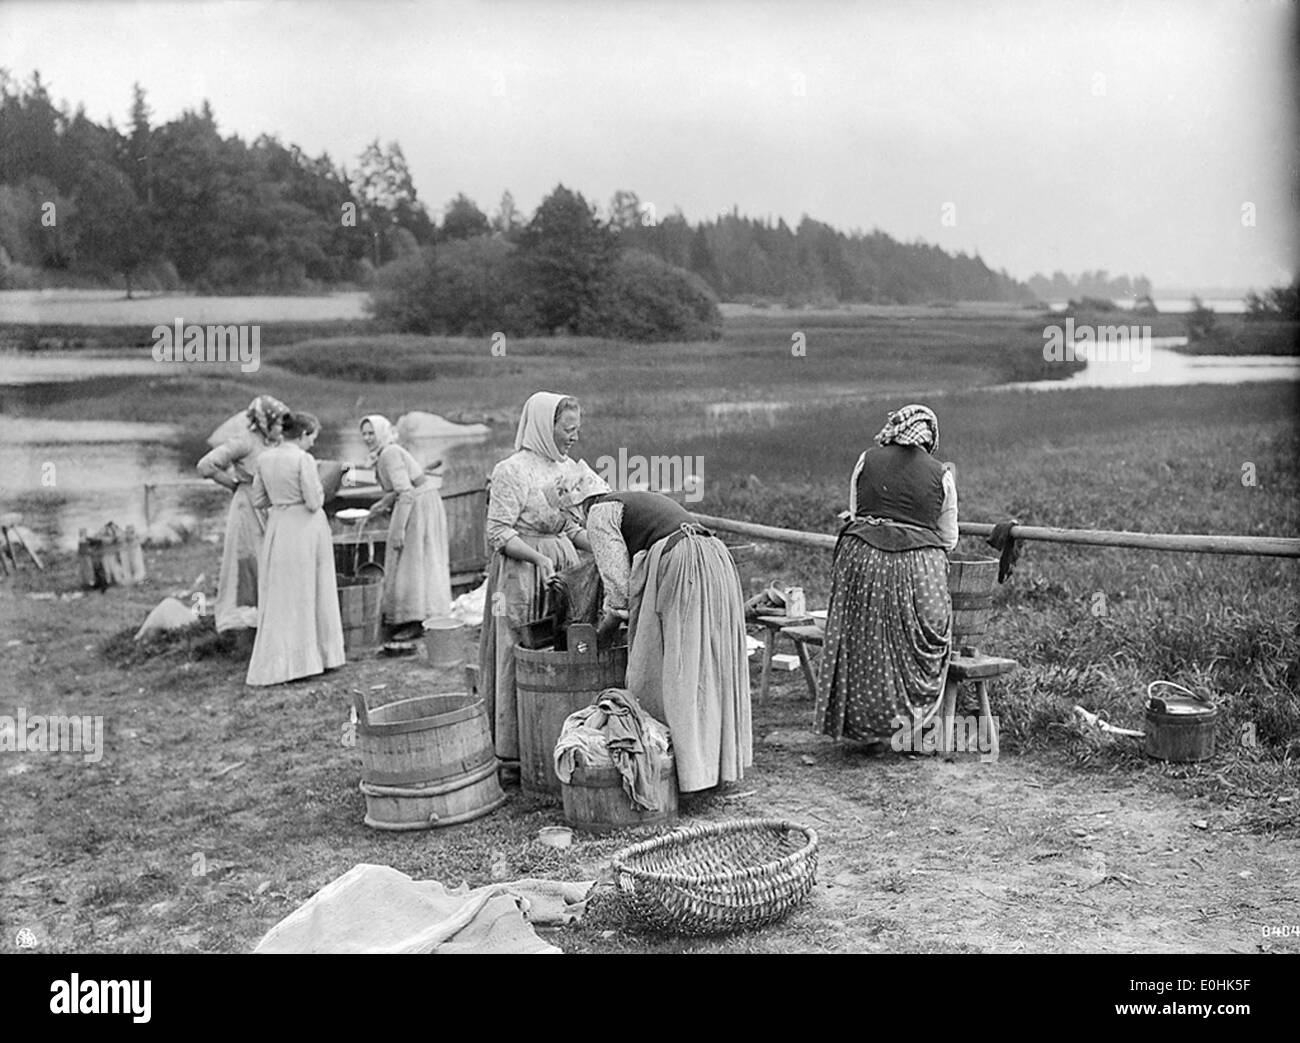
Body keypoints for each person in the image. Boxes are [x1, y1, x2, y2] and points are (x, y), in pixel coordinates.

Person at [562, 462, 753, 794]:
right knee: (706, 663)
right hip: (712, 557)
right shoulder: (626, 500)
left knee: (673, 665)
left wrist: (600, 636)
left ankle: (686, 772)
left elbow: (619, 593)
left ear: (576, 505)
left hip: (683, 562)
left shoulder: (599, 513)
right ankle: (714, 767)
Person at [813, 404, 958, 747]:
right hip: (916, 567)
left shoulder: (867, 460)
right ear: (929, 437)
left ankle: (867, 732)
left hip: (861, 559)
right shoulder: (941, 474)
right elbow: (949, 538)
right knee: (912, 647)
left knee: (864, 644)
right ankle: (910, 729)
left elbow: (856, 513)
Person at [478, 392, 590, 767]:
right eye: (567, 429)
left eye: (577, 429)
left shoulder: (567, 468)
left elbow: (571, 525)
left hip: (563, 567)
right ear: (546, 426)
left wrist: (603, 545)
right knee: (520, 649)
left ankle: (556, 739)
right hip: (522, 574)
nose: (574, 437)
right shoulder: (512, 470)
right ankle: (515, 748)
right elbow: (498, 533)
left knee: (562, 647)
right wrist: (539, 557)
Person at [246, 412, 345, 686]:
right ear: (302, 435)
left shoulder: (264, 458)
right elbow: (314, 501)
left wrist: (281, 502)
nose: (312, 443)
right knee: (310, 589)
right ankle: (314, 658)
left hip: (279, 526)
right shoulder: (303, 459)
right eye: (312, 437)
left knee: (281, 593)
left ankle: (282, 662)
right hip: (305, 527)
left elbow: (258, 500)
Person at [196, 394, 288, 634]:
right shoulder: (244, 442)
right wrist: (233, 484)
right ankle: (241, 617)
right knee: (248, 555)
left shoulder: (273, 443)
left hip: (268, 504)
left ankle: (267, 611)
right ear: (265, 421)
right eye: (277, 423)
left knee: (269, 556)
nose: (281, 428)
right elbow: (205, 466)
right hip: (247, 505)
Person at [359, 415, 452, 640]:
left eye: (372, 433)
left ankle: (417, 618)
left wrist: (399, 529)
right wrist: (383, 503)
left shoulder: (389, 453)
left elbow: (406, 492)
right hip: (418, 500)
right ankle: (413, 615)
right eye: (364, 433)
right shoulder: (385, 453)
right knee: (415, 559)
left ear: (381, 433)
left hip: (419, 504)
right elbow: (401, 488)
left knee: (413, 558)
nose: (367, 438)